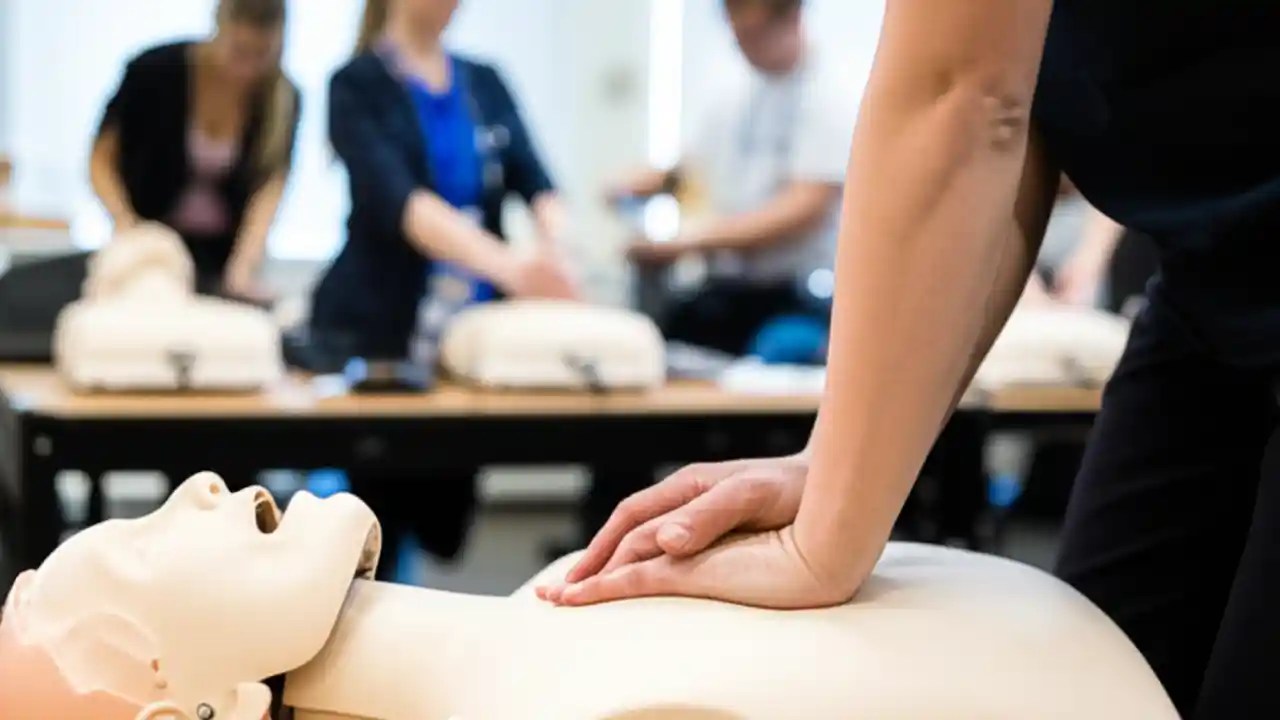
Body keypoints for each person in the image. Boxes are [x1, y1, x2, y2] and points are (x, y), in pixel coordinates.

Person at [543, 2, 1280, 718]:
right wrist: (830, 465)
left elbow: (961, 98)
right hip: (1207, 288)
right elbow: (1006, 130)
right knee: (1110, 671)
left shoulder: (827, 87)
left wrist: (825, 543)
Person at [301, 0, 577, 580]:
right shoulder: (356, 85)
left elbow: (538, 181)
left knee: (441, 520)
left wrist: (556, 251)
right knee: (369, 518)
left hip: (467, 338)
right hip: (379, 332)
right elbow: (403, 204)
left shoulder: (484, 82)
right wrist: (513, 268)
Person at [612, 0, 856, 357]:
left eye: (753, 32)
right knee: (658, 345)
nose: (743, 43)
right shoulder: (733, 90)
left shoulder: (830, 95)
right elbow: (688, 171)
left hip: (794, 294)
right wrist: (631, 185)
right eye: (736, 32)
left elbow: (806, 206)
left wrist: (695, 240)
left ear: (792, 15)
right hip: (726, 288)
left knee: (779, 350)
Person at [90, 0, 300, 303]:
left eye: (261, 56)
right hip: (149, 243)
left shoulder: (281, 98)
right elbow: (101, 159)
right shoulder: (153, 72)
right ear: (218, 28)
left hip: (219, 258)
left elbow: (270, 185)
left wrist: (243, 266)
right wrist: (127, 225)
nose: (247, 69)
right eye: (239, 52)